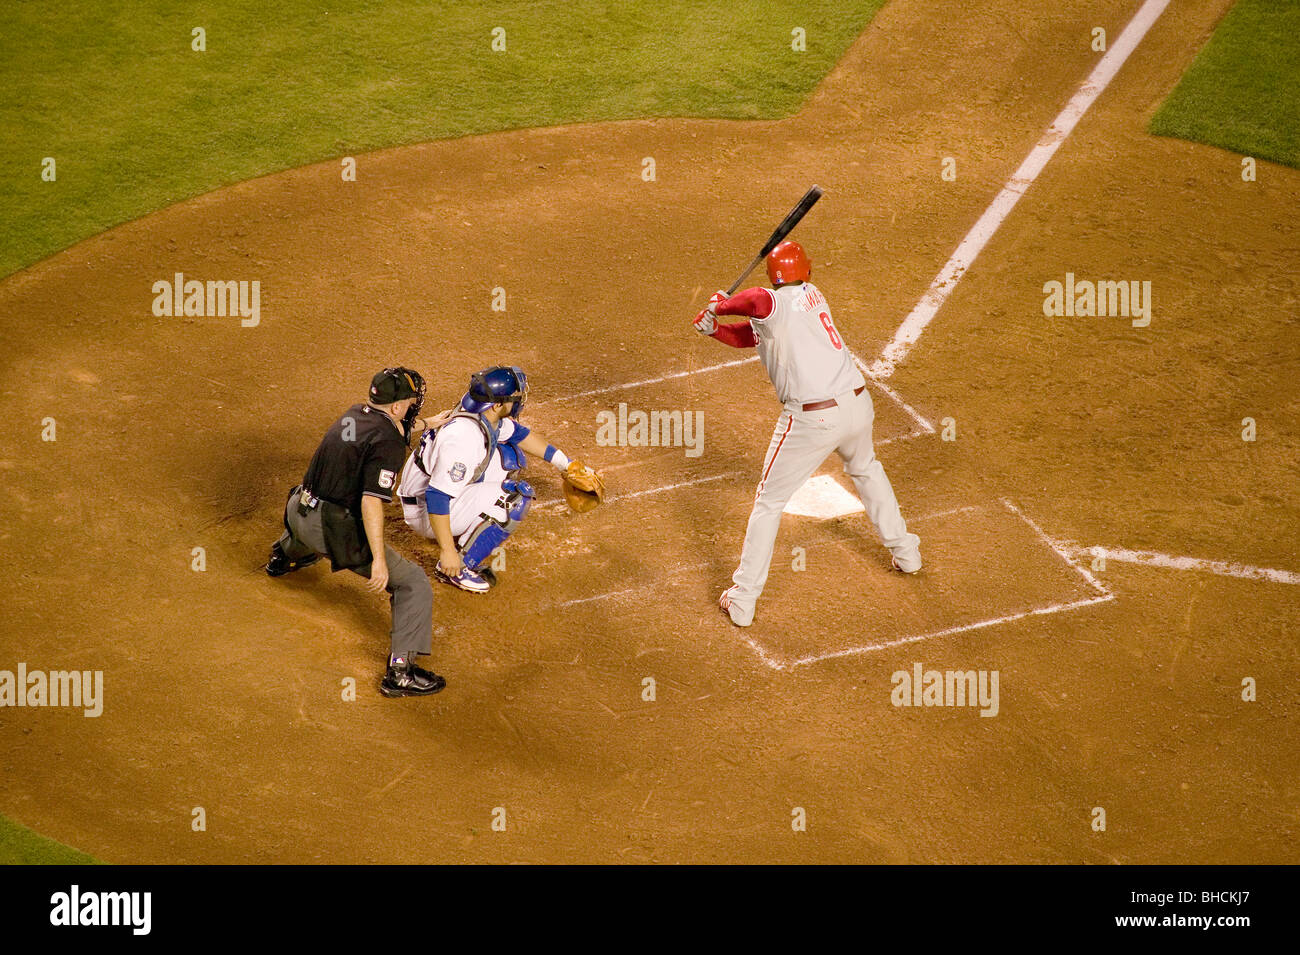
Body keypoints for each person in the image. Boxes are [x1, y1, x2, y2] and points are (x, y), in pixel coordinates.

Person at [692, 240, 922, 628]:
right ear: (805, 271)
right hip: (857, 405)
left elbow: (754, 302)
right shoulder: (812, 296)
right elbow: (753, 334)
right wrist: (715, 328)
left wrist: (720, 303)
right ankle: (906, 553)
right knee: (866, 468)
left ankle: (743, 599)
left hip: (813, 420)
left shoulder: (772, 301)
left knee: (768, 502)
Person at [266, 368, 446, 697]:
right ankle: (401, 673)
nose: (412, 406)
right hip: (329, 531)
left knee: (313, 518)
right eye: (408, 402)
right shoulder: (387, 440)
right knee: (412, 582)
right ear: (395, 408)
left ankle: (283, 556)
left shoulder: (355, 414)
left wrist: (430, 423)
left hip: (297, 513)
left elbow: (390, 431)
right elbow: (371, 503)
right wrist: (378, 559)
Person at [397, 365, 602, 592]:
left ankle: (462, 528)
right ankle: (458, 567)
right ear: (497, 404)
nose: (519, 401)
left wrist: (567, 465)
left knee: (510, 458)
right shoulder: (464, 438)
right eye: (514, 398)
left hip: (427, 490)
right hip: (425, 509)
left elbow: (519, 434)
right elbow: (437, 496)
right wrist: (448, 552)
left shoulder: (481, 411)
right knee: (514, 497)